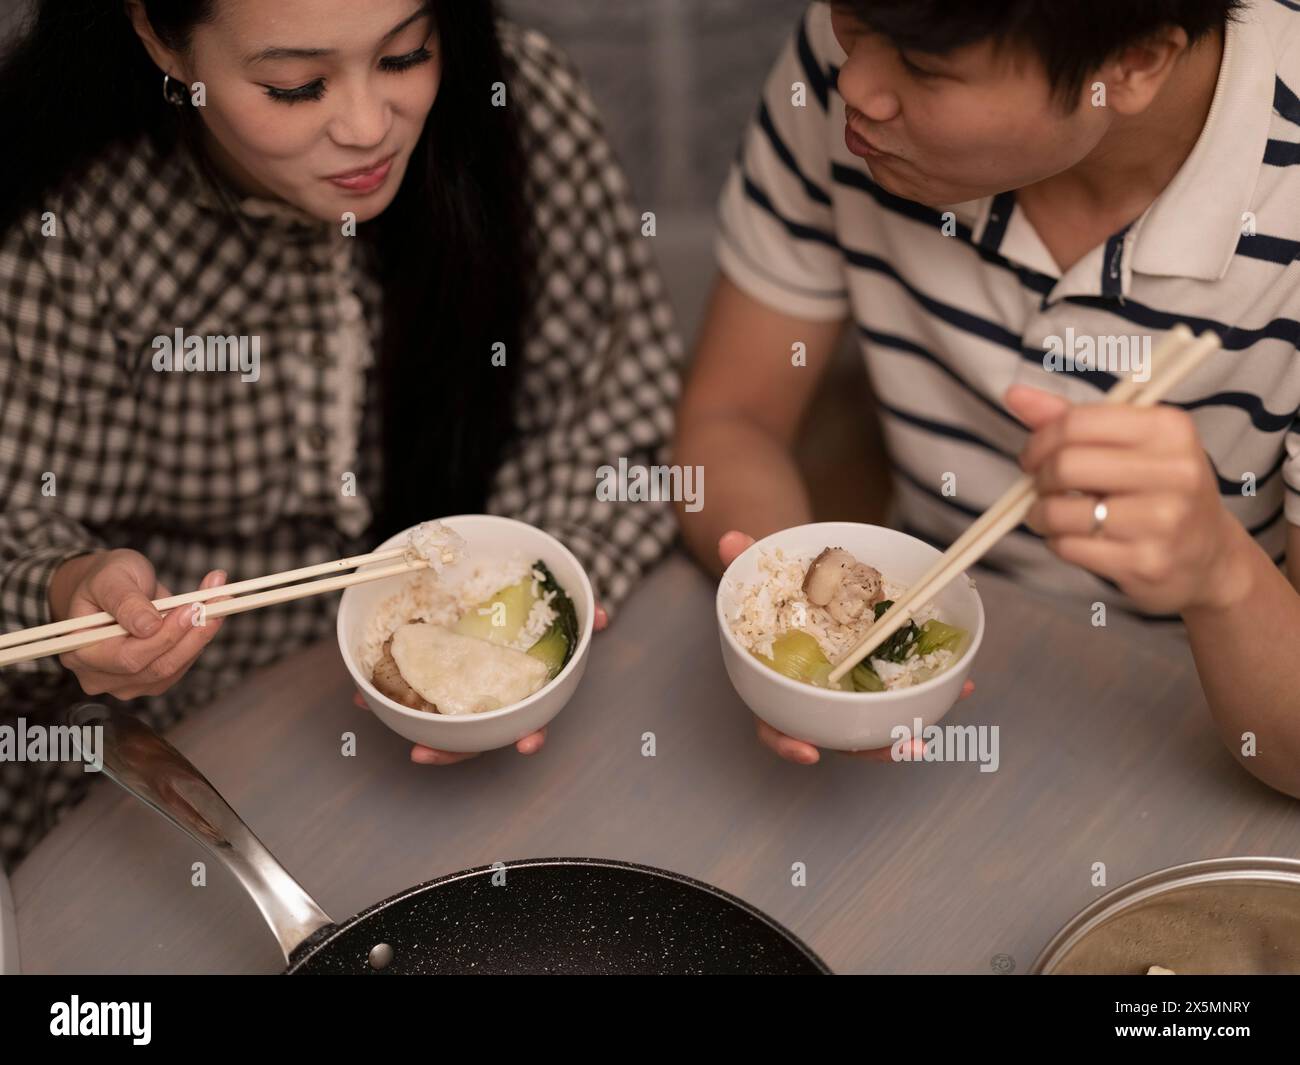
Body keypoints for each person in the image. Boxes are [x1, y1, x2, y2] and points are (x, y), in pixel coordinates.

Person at [0, 0, 683, 869]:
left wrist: (504, 644)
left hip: (456, 667)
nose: (367, 126)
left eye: (405, 56)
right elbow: (14, 510)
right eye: (296, 86)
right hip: (164, 740)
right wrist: (68, 588)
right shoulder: (75, 213)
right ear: (159, 37)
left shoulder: (521, 106)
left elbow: (612, 414)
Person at [674, 0, 1300, 795]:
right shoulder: (878, 38)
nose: (854, 84)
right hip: (927, 695)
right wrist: (792, 626)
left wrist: (1222, 575)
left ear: (1136, 63)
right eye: (849, 20)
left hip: (1193, 741)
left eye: (926, 70)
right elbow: (734, 418)